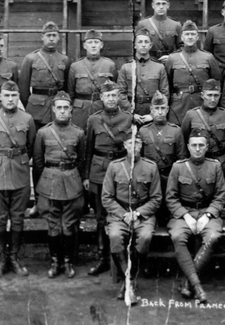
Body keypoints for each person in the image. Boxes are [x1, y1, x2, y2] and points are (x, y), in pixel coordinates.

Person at [165, 130, 225, 303]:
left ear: (207, 147)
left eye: (201, 145)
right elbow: (170, 197)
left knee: (213, 237)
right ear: (188, 147)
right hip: (183, 214)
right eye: (194, 145)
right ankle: (197, 286)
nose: (198, 149)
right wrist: (186, 216)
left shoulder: (215, 166)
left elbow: (220, 196)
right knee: (178, 236)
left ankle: (187, 282)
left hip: (208, 212)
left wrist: (208, 215)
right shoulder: (178, 167)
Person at [102, 128, 161, 303]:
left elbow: (156, 198)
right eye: (130, 143)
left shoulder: (151, 167)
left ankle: (128, 282)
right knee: (114, 236)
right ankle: (130, 281)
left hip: (143, 214)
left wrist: (138, 213)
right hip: (120, 214)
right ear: (125, 145)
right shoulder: (114, 166)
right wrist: (123, 214)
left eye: (137, 143)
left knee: (144, 237)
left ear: (141, 145)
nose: (133, 147)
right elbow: (106, 197)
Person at [33, 91, 85, 278]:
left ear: (71, 110)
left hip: (72, 182)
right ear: (54, 109)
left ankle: (68, 262)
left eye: (66, 108)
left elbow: (81, 161)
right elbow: (38, 163)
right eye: (59, 108)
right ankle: (55, 262)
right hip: (50, 182)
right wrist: (41, 188)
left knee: (68, 225)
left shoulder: (79, 133)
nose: (62, 111)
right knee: (53, 225)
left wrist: (73, 176)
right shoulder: (43, 132)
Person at [84, 80, 134, 276]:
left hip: (120, 172)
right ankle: (102, 259)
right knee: (100, 218)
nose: (111, 99)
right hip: (98, 172)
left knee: (121, 214)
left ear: (119, 97)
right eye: (107, 96)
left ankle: (123, 259)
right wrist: (87, 175)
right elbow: (88, 150)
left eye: (114, 95)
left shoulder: (128, 119)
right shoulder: (93, 120)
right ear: (102, 98)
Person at [0, 81, 36, 278]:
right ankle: (1, 260)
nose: (10, 99)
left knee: (18, 218)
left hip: (20, 173)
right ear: (0, 97)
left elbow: (32, 146)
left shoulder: (27, 118)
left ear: (19, 98)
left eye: (13, 96)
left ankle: (14, 258)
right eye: (6, 95)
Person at [140, 91, 187, 226]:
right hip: (149, 178)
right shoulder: (143, 131)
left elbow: (181, 158)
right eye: (157, 109)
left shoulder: (175, 131)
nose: (160, 112)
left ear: (167, 109)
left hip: (169, 177)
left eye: (162, 109)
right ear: (151, 110)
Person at [165, 20, 223, 125]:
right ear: (182, 37)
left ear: (197, 37)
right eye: (187, 34)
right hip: (179, 106)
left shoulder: (208, 57)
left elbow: (216, 82)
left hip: (200, 103)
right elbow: (167, 85)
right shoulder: (173, 58)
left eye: (193, 34)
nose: (190, 37)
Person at [19, 21, 71, 130]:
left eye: (54, 35)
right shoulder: (30, 58)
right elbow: (23, 89)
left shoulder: (64, 59)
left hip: (57, 108)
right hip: (36, 109)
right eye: (48, 35)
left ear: (58, 38)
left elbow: (67, 88)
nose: (51, 38)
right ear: (42, 37)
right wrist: (32, 105)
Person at [182, 79, 225, 177]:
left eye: (216, 95)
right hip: (199, 164)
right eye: (209, 95)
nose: (213, 99)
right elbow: (184, 141)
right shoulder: (191, 115)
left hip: (221, 163)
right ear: (202, 95)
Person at [68, 30, 120, 129]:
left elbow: (115, 89)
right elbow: (70, 92)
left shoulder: (109, 65)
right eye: (90, 42)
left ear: (101, 45)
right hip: (80, 110)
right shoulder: (75, 66)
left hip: (101, 108)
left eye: (96, 42)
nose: (93, 45)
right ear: (84, 45)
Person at [118, 28, 170, 127]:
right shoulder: (126, 68)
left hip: (153, 114)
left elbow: (165, 93)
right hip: (132, 113)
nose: (143, 44)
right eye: (140, 42)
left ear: (150, 45)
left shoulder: (159, 67)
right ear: (135, 45)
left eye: (146, 42)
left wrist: (152, 115)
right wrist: (131, 113)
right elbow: (121, 94)